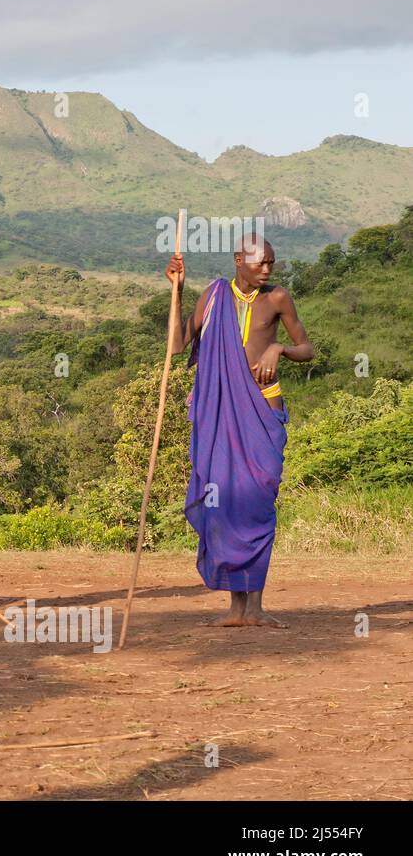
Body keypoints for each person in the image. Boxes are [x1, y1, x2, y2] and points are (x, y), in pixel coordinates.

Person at [167, 235, 314, 627]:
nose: (267, 269)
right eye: (260, 263)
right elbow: (179, 344)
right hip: (219, 413)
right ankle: (235, 609)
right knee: (224, 506)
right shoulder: (213, 296)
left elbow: (308, 348)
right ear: (238, 260)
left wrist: (278, 350)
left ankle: (256, 607)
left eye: (271, 262)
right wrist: (177, 292)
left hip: (263, 406)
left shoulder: (277, 298)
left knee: (258, 504)